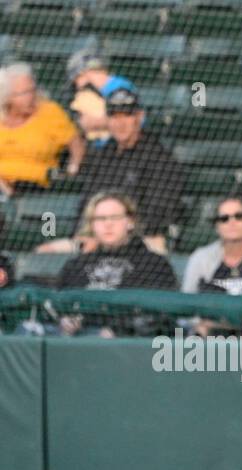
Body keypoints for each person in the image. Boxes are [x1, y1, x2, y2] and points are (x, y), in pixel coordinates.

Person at [75, 86, 184, 253]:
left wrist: (118, 234)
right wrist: (88, 234)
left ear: (139, 117)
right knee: (46, 251)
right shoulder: (100, 156)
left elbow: (158, 213)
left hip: (141, 242)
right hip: (98, 239)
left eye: (126, 115)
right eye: (114, 116)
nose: (120, 123)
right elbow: (87, 202)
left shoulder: (159, 158)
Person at [55, 192, 177, 336]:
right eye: (101, 218)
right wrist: (64, 320)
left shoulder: (154, 264)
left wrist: (119, 330)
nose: (108, 224)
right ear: (92, 225)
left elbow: (160, 315)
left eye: (115, 217)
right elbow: (55, 303)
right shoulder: (75, 266)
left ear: (130, 222)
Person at [0, 62, 83, 196]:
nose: (32, 97)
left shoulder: (50, 112)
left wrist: (72, 170)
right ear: (7, 97)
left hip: (38, 189)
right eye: (25, 93)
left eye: (33, 90)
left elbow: (76, 144)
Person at [182, 196, 242, 295]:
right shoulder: (201, 258)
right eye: (224, 218)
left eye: (239, 216)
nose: (231, 223)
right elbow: (187, 300)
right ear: (217, 226)